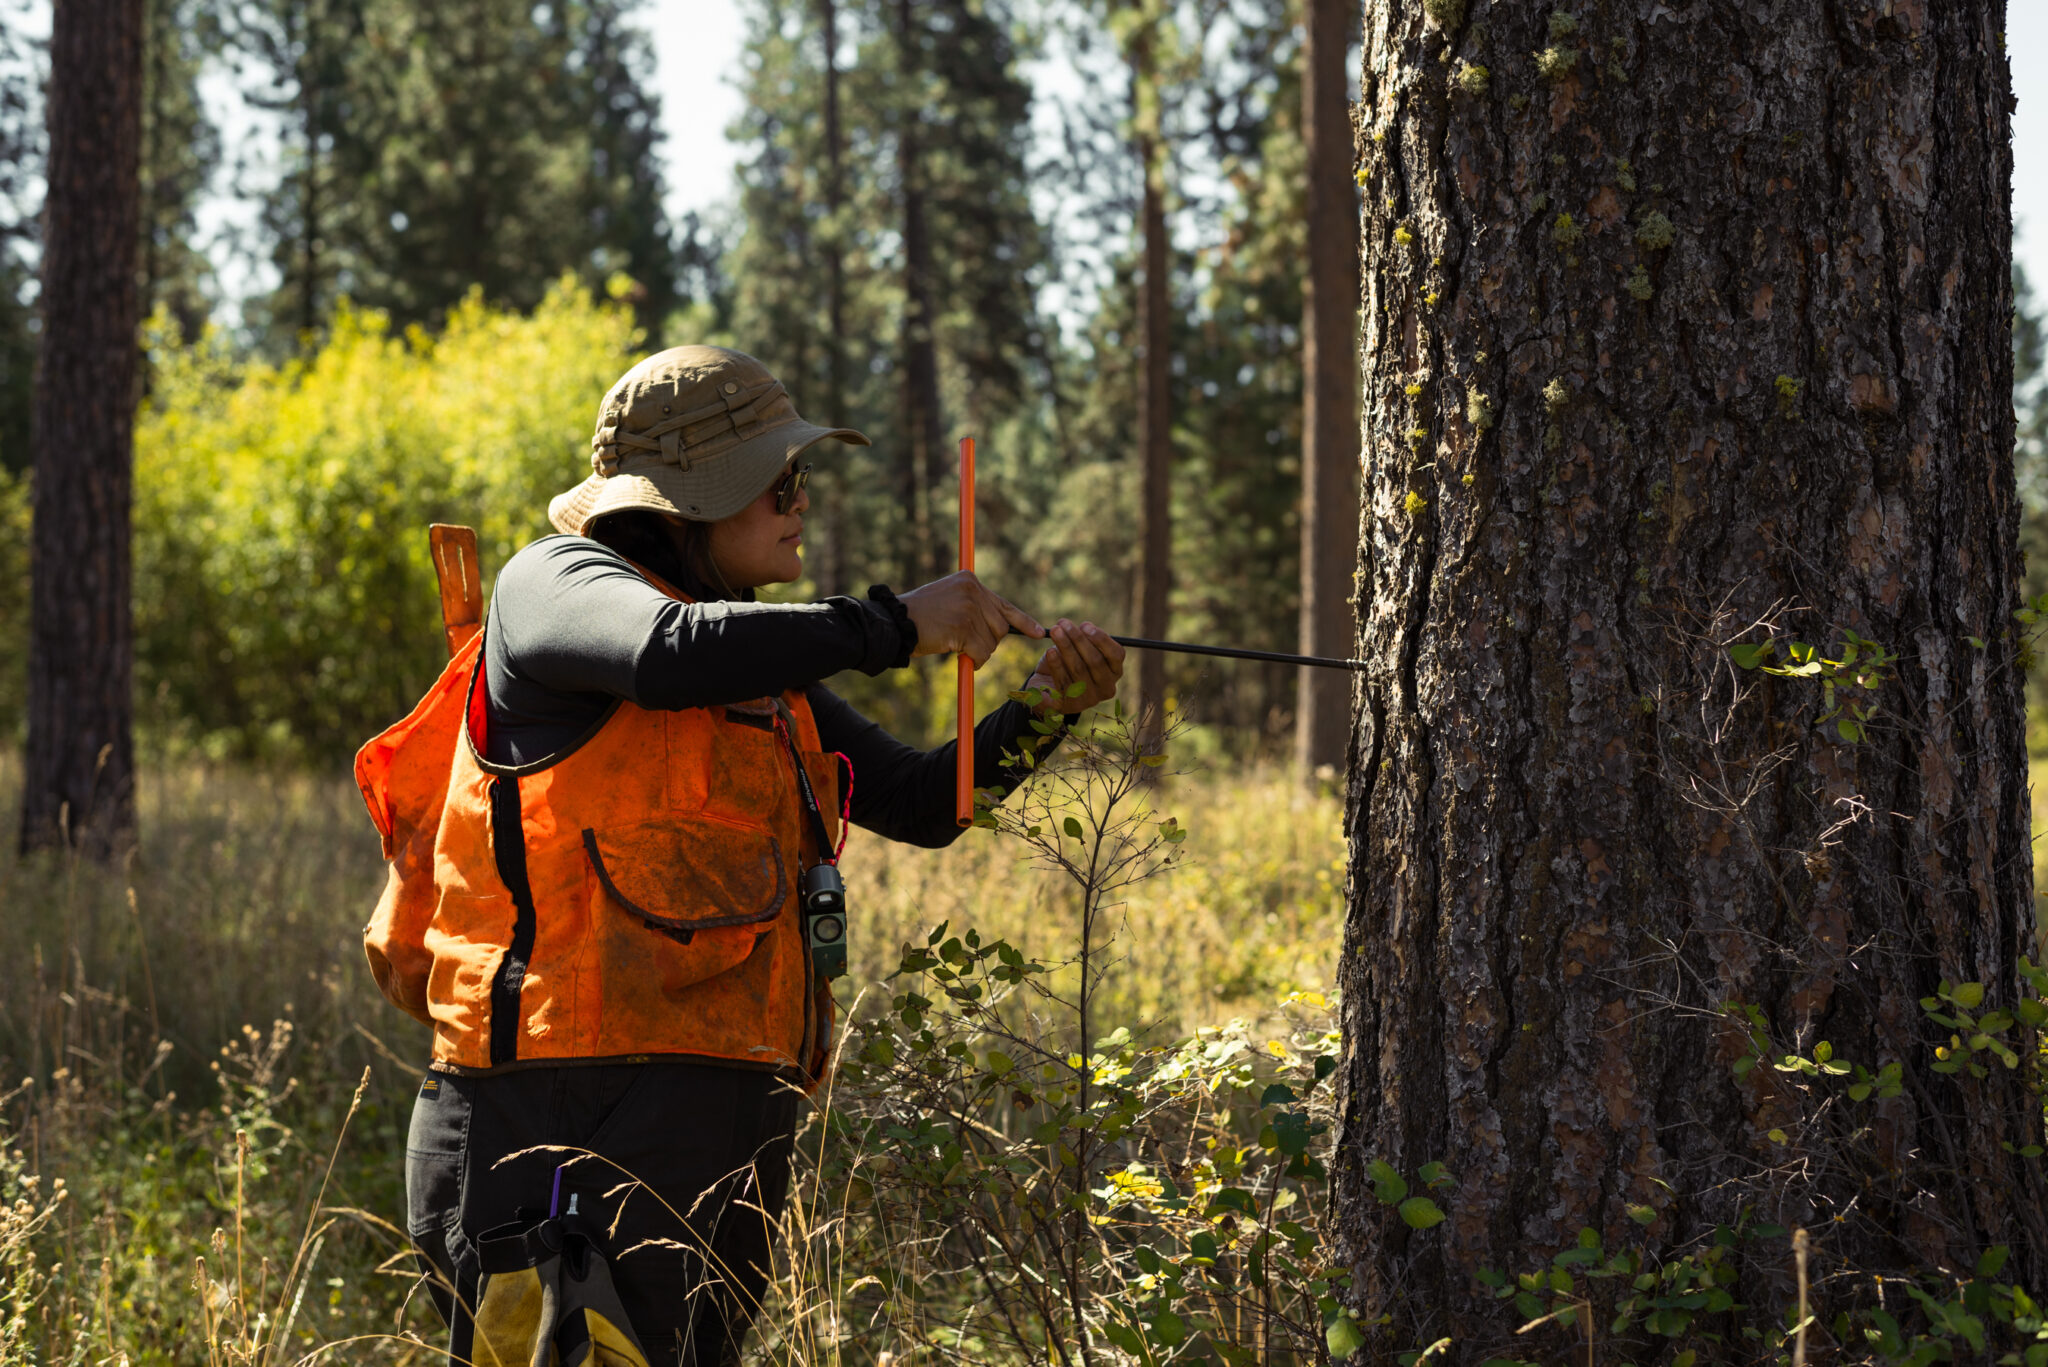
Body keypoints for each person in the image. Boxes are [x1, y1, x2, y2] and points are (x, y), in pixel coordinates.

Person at [361, 345, 1125, 1366]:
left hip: (718, 1129)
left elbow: (921, 803)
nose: (801, 502)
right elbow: (663, 651)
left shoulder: (763, 660)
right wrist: (893, 624)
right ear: (693, 493)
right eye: (780, 479)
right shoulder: (551, 581)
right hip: (542, 1118)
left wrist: (1046, 708)